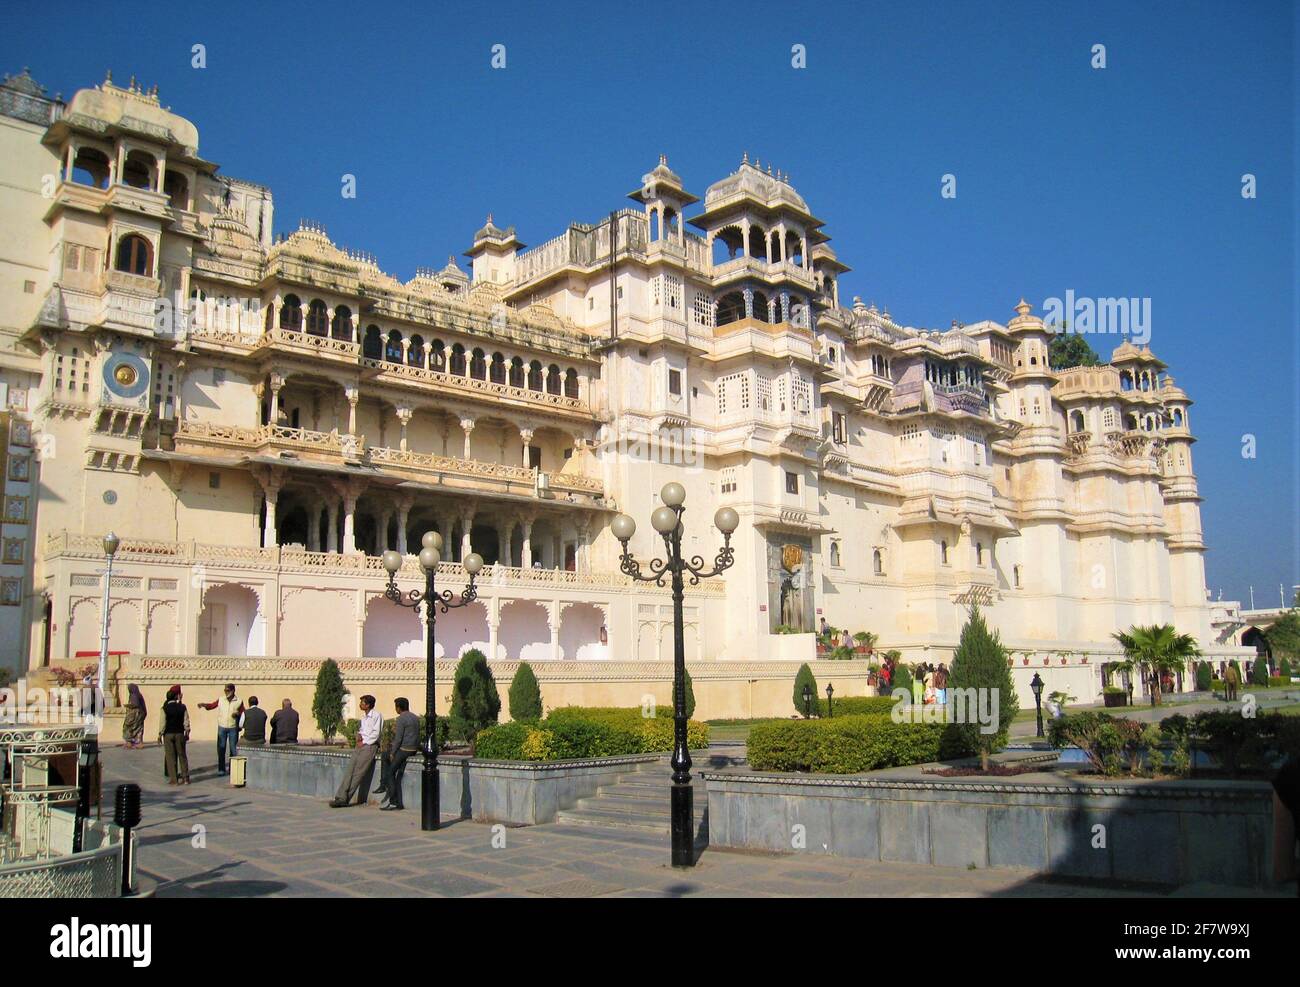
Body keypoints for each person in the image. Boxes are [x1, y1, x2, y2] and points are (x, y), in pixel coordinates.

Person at [329, 695, 381, 807]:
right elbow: (363, 730)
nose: (360, 705)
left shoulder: (376, 716)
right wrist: (359, 735)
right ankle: (340, 796)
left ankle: (345, 799)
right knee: (350, 771)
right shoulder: (364, 717)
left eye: (362, 703)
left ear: (368, 705)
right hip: (360, 745)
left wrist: (365, 741)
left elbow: (376, 734)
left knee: (358, 773)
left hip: (369, 746)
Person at [381, 698, 420, 811]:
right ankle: (384, 784)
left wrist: (393, 752)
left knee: (390, 772)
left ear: (398, 708)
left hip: (404, 749)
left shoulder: (401, 719)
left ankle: (393, 801)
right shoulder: (415, 717)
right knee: (387, 759)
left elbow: (398, 739)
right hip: (413, 749)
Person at [197, 683, 243, 775]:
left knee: (233, 749)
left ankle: (232, 769)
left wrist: (237, 715)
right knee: (221, 749)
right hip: (222, 726)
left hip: (233, 727)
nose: (226, 692)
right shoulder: (221, 700)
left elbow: (243, 714)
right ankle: (221, 769)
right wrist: (204, 705)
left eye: (228, 691)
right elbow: (212, 706)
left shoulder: (239, 701)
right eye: (225, 691)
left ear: (233, 691)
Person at [159, 687, 191, 785]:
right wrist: (187, 731)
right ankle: (185, 778)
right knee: (182, 755)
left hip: (168, 734)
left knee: (170, 757)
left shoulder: (164, 708)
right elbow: (186, 720)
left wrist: (160, 734)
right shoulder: (182, 707)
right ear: (176, 696)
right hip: (180, 733)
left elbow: (162, 723)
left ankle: (174, 779)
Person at [122, 684, 147, 748]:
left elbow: (135, 704)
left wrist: (129, 705)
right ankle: (135, 742)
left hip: (135, 715)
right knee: (138, 729)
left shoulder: (134, 695)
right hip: (139, 714)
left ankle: (130, 742)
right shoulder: (137, 695)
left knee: (128, 727)